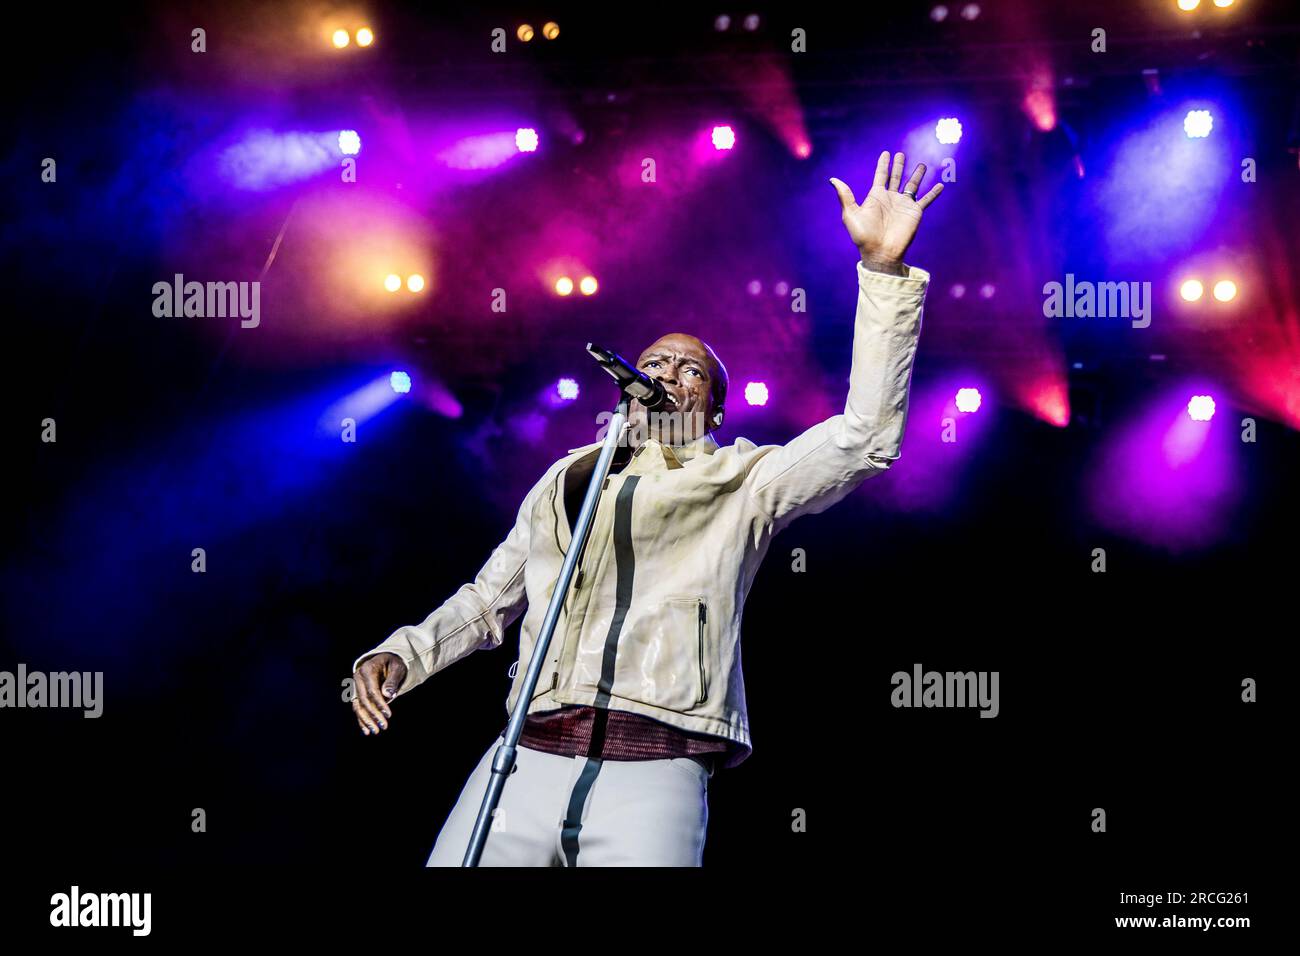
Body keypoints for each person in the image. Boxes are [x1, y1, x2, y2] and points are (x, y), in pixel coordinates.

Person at [350, 149, 943, 866]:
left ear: (713, 406)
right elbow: (489, 600)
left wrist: (882, 275)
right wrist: (401, 652)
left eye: (690, 369)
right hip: (526, 752)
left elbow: (865, 439)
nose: (667, 372)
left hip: (656, 760)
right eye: (656, 361)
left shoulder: (743, 479)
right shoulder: (569, 477)